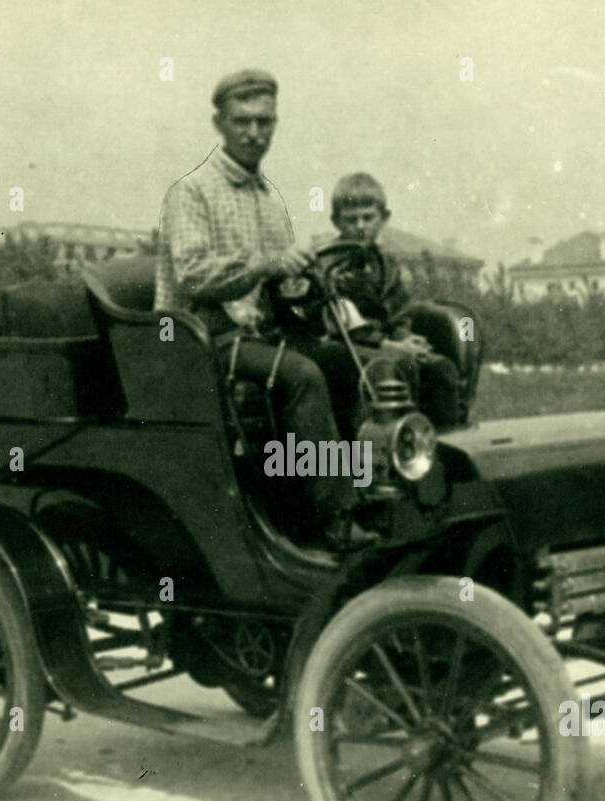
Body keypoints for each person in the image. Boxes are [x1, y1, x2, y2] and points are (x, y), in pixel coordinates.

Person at [154, 70, 374, 550]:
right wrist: (266, 265)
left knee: (349, 365)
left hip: (259, 335)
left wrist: (307, 279)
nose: (255, 133)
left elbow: (281, 288)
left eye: (265, 122)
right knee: (303, 376)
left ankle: (360, 492)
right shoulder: (190, 192)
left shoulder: (271, 200)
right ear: (220, 124)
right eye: (243, 122)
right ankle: (332, 520)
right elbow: (194, 277)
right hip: (200, 339)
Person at [306, 173, 464, 440]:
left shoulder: (385, 264)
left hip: (387, 343)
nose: (360, 226)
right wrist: (390, 345)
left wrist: (406, 337)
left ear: (383, 218)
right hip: (345, 344)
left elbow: (398, 311)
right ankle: (394, 444)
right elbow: (342, 321)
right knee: (398, 364)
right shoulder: (328, 263)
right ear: (336, 221)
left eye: (368, 218)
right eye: (351, 219)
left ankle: (446, 445)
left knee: (442, 368)